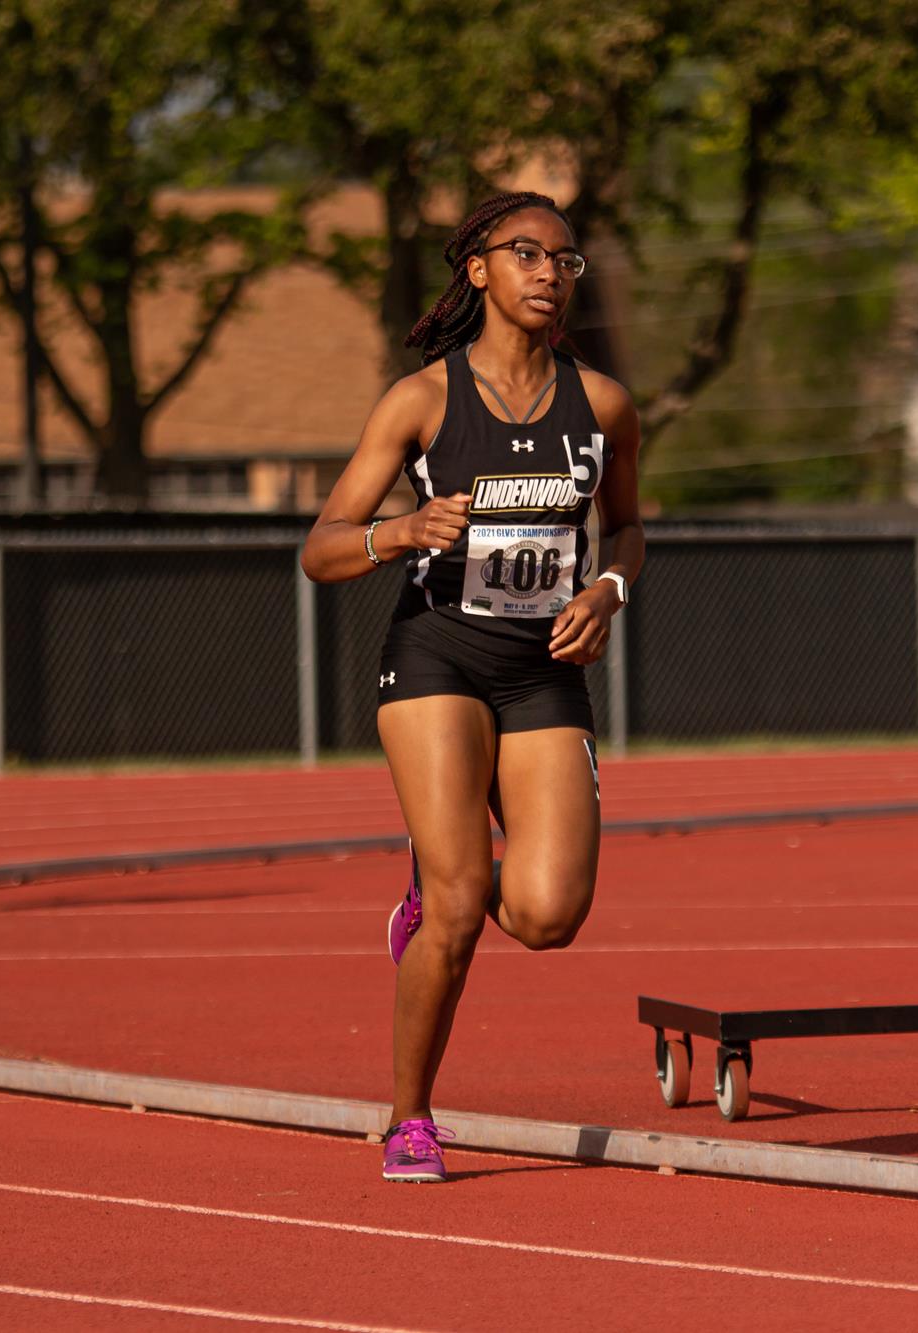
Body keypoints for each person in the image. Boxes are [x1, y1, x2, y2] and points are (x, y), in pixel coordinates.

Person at [302, 192, 644, 1182]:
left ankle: (440, 863)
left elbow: (626, 528)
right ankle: (410, 1116)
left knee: (544, 915)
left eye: (564, 259)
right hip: (437, 657)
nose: (547, 271)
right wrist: (397, 533)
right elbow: (319, 550)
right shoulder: (422, 400)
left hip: (542, 668)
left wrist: (609, 590)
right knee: (457, 906)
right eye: (526, 253)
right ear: (480, 270)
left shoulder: (605, 405)